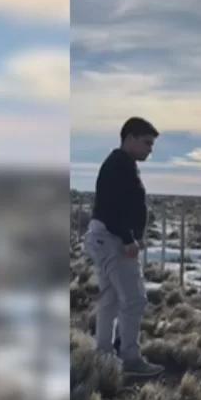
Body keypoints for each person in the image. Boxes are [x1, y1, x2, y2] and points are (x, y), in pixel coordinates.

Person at [84, 117, 164, 377]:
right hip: (113, 240)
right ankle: (129, 357)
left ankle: (104, 354)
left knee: (110, 299)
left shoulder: (120, 163)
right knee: (134, 300)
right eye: (146, 143)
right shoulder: (120, 165)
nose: (150, 149)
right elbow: (112, 206)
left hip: (105, 237)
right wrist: (128, 238)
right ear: (129, 138)